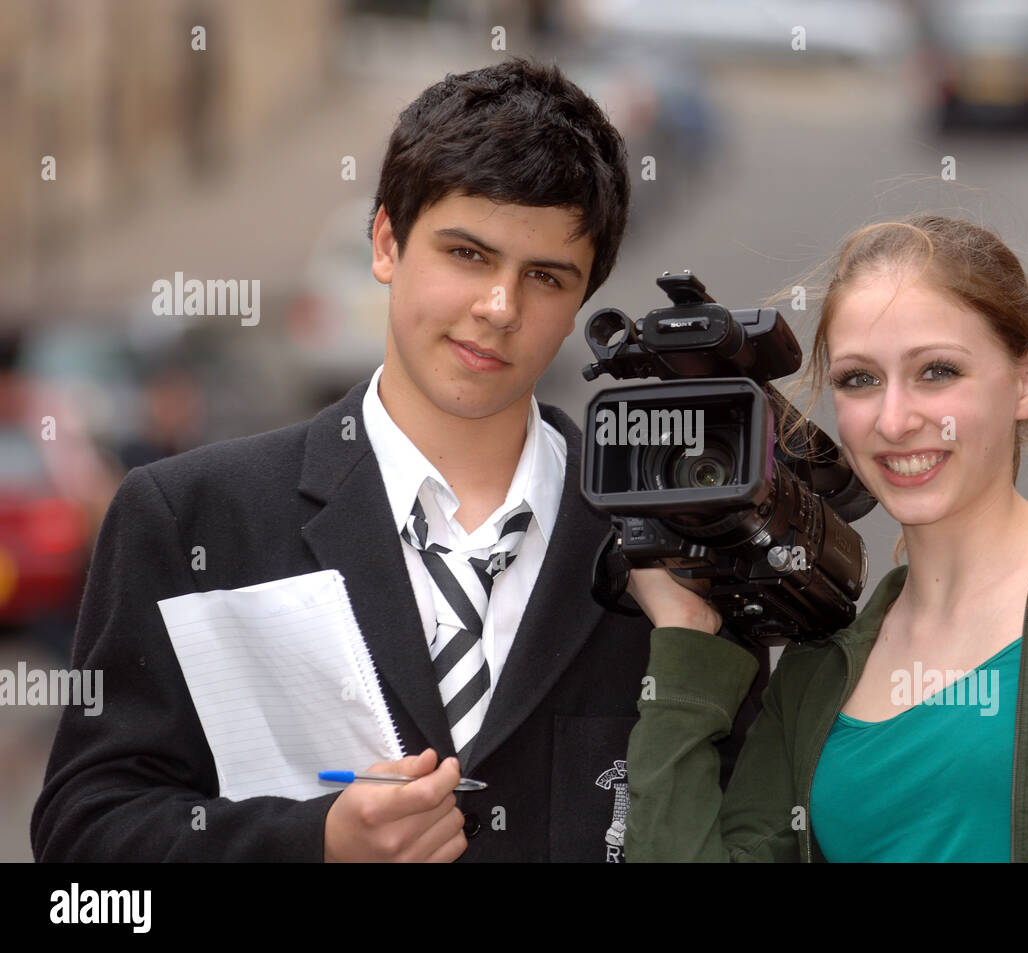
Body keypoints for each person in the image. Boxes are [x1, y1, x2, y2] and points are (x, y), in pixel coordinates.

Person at [31, 57, 763, 863]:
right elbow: (83, 848)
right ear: (385, 241)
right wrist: (315, 843)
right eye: (468, 255)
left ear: (581, 300)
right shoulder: (190, 516)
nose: (499, 308)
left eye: (546, 277)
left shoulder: (675, 543)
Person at [622, 215, 1028, 862]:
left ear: (1027, 380)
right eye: (859, 379)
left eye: (937, 371)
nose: (895, 420)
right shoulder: (820, 669)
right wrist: (683, 637)